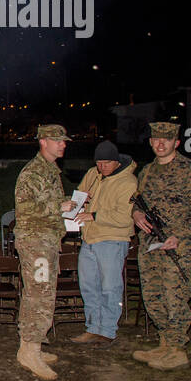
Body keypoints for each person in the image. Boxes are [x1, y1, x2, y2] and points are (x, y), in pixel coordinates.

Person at [130, 122, 191, 370]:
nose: (160, 144)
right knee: (153, 295)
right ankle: (165, 343)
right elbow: (138, 202)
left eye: (166, 140)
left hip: (179, 246)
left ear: (176, 143)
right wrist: (136, 215)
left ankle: (177, 349)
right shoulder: (146, 173)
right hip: (150, 245)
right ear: (151, 142)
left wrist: (178, 235)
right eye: (156, 140)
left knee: (175, 295)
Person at [13, 124, 78, 380]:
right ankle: (30, 350)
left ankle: (30, 346)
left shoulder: (51, 170)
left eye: (64, 141)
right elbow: (24, 208)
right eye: (58, 140)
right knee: (39, 294)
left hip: (47, 241)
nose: (63, 144)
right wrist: (58, 205)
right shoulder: (33, 172)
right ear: (43, 142)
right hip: (35, 243)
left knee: (42, 292)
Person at [70, 140, 137, 345]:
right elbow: (78, 198)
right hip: (89, 238)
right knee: (89, 285)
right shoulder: (93, 174)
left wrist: (94, 215)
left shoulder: (129, 183)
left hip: (112, 240)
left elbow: (125, 217)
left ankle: (107, 329)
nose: (101, 167)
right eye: (98, 163)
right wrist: (81, 199)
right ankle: (93, 327)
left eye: (106, 163)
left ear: (116, 161)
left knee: (110, 287)